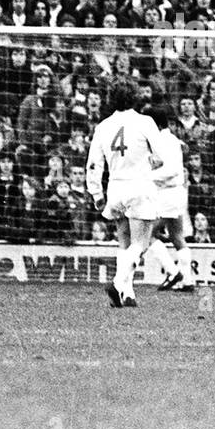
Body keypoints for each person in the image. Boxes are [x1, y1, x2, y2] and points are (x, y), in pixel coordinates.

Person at [86, 78, 162, 308]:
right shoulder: (145, 122)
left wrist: (96, 193)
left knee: (124, 241)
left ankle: (127, 294)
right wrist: (152, 161)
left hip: (115, 188)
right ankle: (119, 282)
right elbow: (159, 157)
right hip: (139, 185)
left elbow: (93, 163)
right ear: (136, 97)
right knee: (141, 243)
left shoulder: (103, 126)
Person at [144, 105, 196, 293]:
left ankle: (174, 272)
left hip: (167, 194)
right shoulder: (171, 140)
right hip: (174, 193)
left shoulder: (164, 141)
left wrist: (147, 177)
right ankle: (188, 281)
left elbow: (171, 170)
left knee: (147, 234)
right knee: (176, 236)